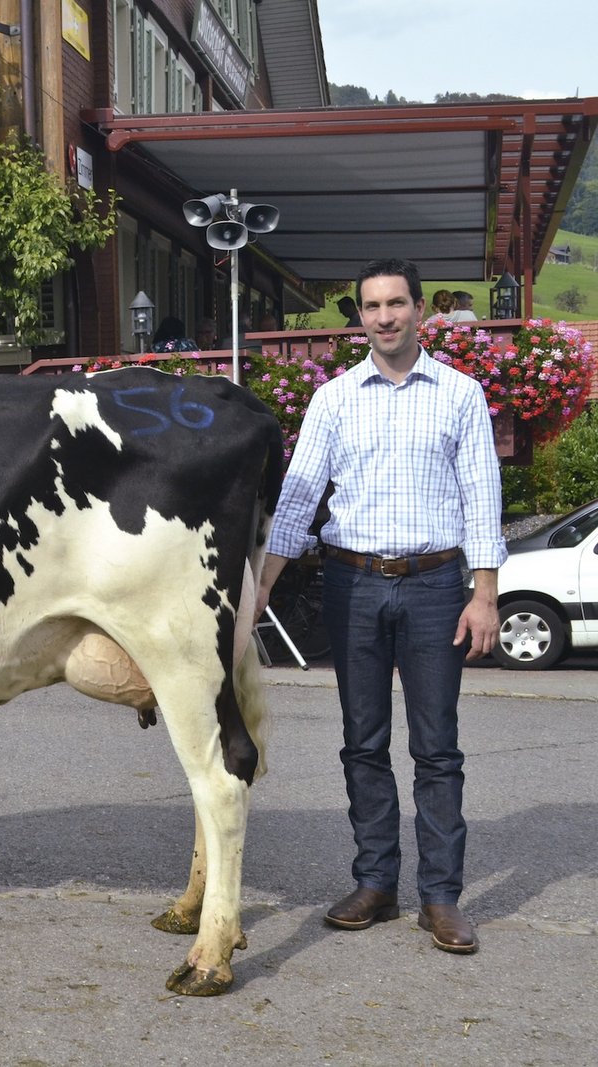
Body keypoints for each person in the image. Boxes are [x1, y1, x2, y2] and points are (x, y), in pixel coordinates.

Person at [257, 257, 504, 956]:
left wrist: (484, 595)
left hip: (434, 585)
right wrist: (262, 585)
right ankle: (375, 883)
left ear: (421, 310)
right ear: (360, 316)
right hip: (353, 583)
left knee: (436, 747)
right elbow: (299, 498)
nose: (385, 316)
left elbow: (482, 497)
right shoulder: (334, 399)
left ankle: (441, 897)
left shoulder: (460, 395)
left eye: (397, 303)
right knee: (362, 742)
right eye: (372, 306)